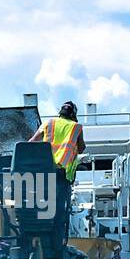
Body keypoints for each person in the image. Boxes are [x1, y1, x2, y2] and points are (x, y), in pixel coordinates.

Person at [28, 101, 85, 247]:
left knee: (41, 210)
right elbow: (81, 148)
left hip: (44, 172)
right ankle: (56, 246)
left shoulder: (49, 123)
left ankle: (38, 243)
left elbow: (32, 141)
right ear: (73, 114)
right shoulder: (76, 127)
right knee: (59, 213)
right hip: (62, 175)